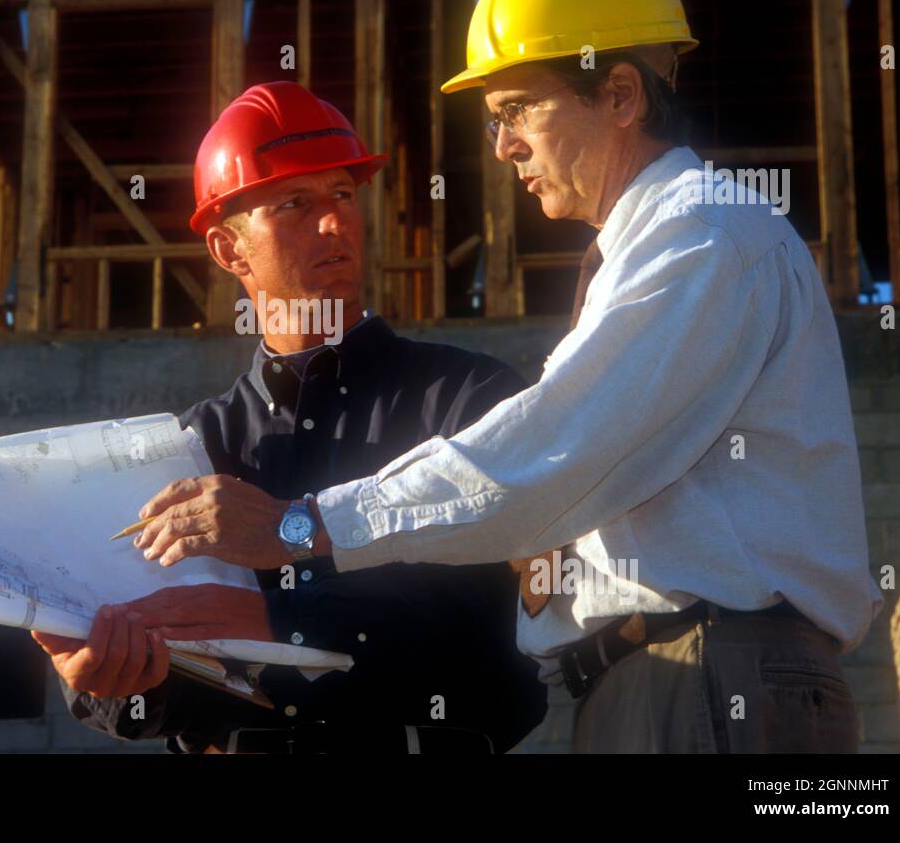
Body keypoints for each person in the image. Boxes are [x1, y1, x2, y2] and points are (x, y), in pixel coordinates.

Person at [129, 0, 883, 753]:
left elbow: (553, 452)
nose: (501, 147)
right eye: (495, 122)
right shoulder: (663, 245)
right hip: (673, 678)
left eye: (517, 110)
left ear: (621, 94)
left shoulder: (699, 238)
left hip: (705, 681)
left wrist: (298, 529)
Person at [34, 81, 547, 753]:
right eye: (295, 204)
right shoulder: (192, 451)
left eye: (343, 195)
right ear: (228, 249)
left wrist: (282, 622)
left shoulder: (467, 400)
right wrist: (109, 680)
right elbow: (167, 676)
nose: (335, 223)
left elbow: (487, 629)